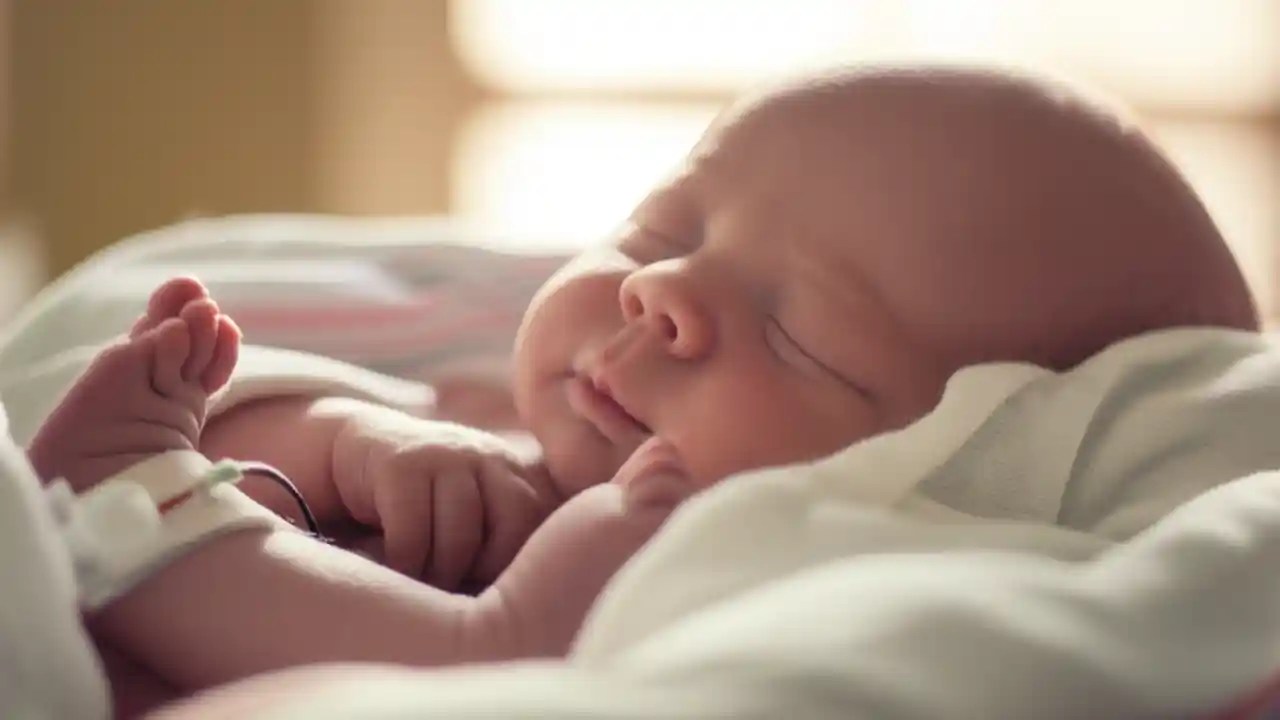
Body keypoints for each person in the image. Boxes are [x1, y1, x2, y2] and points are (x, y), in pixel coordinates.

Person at [27, 65, 1260, 713]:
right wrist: (349, 439)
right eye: (661, 229)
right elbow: (285, 431)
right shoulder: (505, 411)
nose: (655, 293)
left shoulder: (683, 544)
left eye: (806, 339)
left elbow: (467, 663)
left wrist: (144, 498)